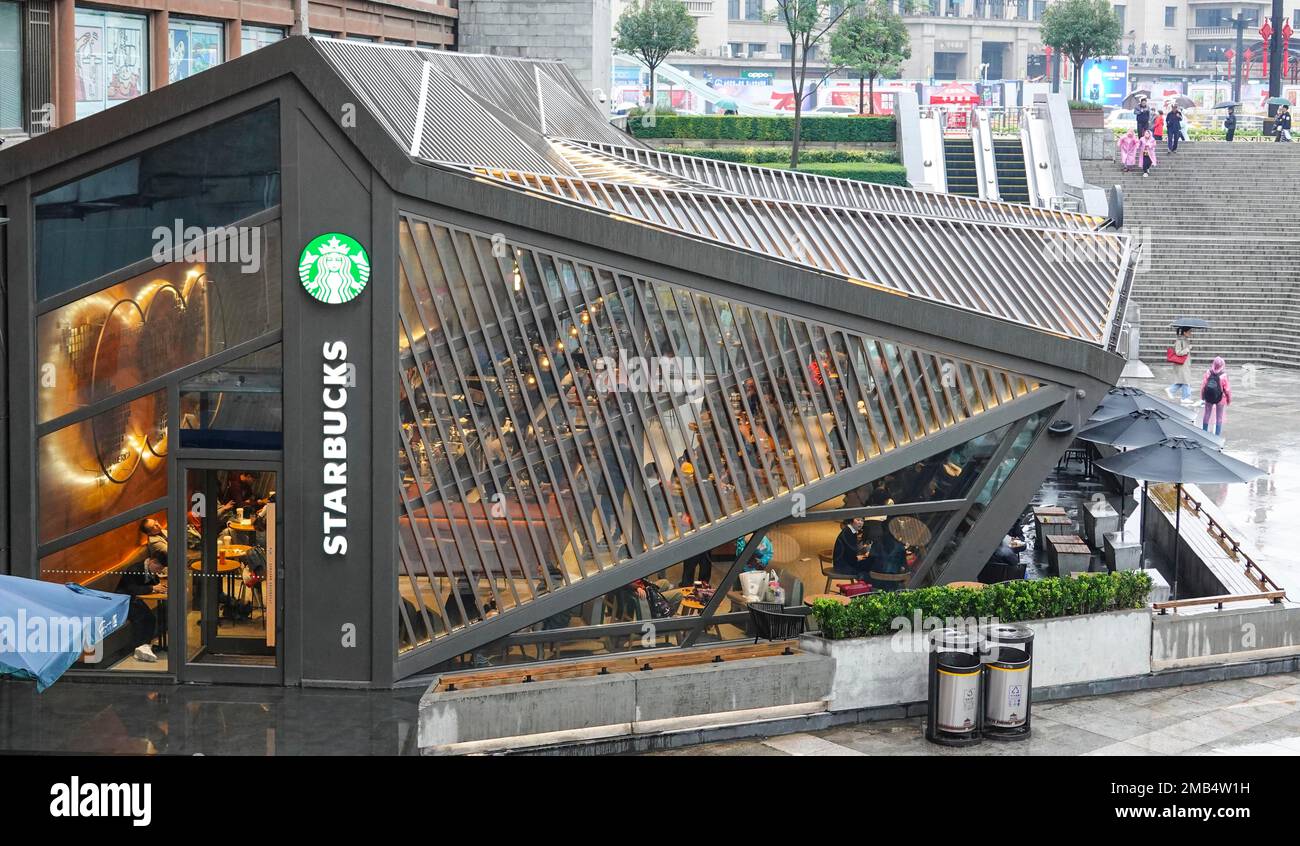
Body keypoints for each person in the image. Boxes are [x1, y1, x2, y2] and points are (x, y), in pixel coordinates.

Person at [1200, 356, 1232, 437]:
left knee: (1207, 414)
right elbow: (1227, 390)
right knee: (1219, 417)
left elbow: (1203, 386)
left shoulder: (1208, 372)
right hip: (1221, 398)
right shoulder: (1224, 375)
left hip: (1208, 397)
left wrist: (1202, 397)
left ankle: (1204, 432)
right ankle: (1217, 435)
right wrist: (1228, 400)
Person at [1165, 327, 1194, 402]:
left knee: (1183, 380)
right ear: (1184, 332)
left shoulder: (1185, 340)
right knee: (1185, 380)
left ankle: (1172, 391)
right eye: (1189, 331)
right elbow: (1178, 352)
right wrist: (1187, 349)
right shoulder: (1179, 341)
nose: (1191, 333)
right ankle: (1184, 397)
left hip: (1185, 364)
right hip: (1181, 364)